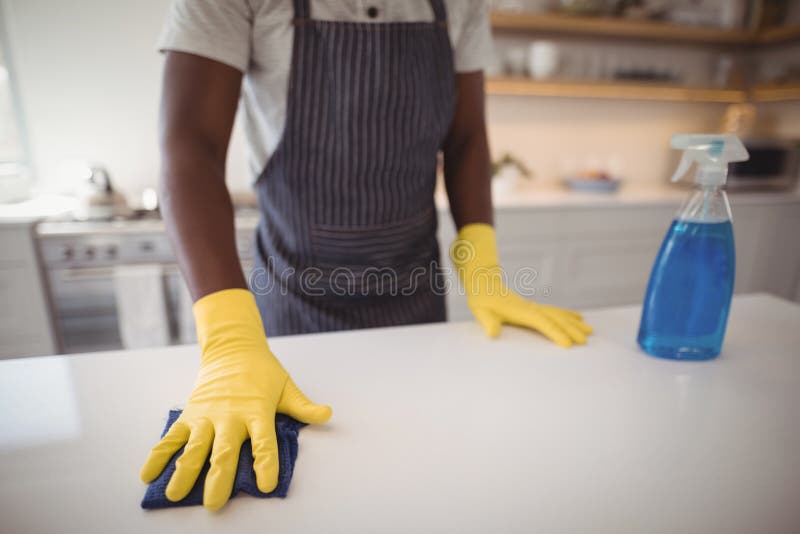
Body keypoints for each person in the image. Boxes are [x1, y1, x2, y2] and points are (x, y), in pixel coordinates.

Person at [140, 0, 593, 511]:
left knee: (422, 478)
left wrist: (483, 269)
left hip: (414, 306)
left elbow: (466, 136)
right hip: (291, 310)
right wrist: (228, 336)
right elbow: (190, 146)